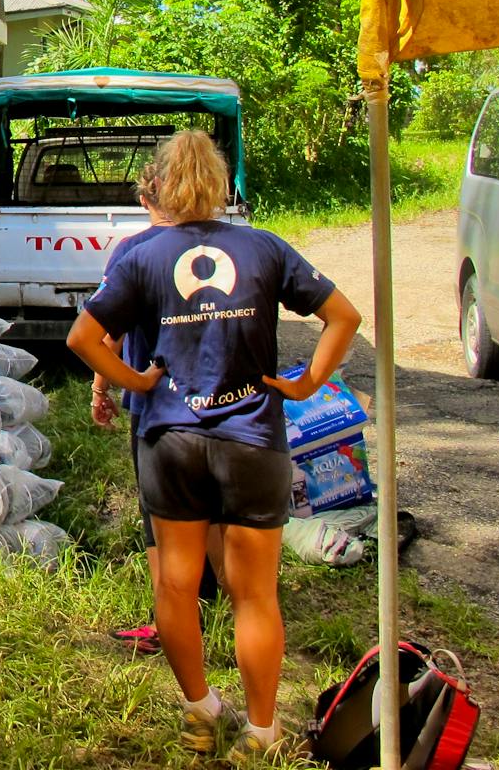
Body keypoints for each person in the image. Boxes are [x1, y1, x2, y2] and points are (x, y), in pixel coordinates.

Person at [66, 130, 361, 760]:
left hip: (171, 441)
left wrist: (133, 380)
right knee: (255, 593)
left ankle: (201, 710)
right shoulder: (265, 248)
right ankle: (262, 731)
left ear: (163, 184)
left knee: (175, 586)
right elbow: (344, 316)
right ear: (224, 185)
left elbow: (83, 338)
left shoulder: (140, 254)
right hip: (253, 438)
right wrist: (309, 382)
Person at [93, 163, 227, 656]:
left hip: (158, 404)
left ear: (146, 199)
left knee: (162, 515)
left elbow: (107, 333)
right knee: (215, 507)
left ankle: (169, 620)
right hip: (223, 399)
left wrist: (102, 387)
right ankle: (231, 607)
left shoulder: (134, 252)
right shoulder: (230, 245)